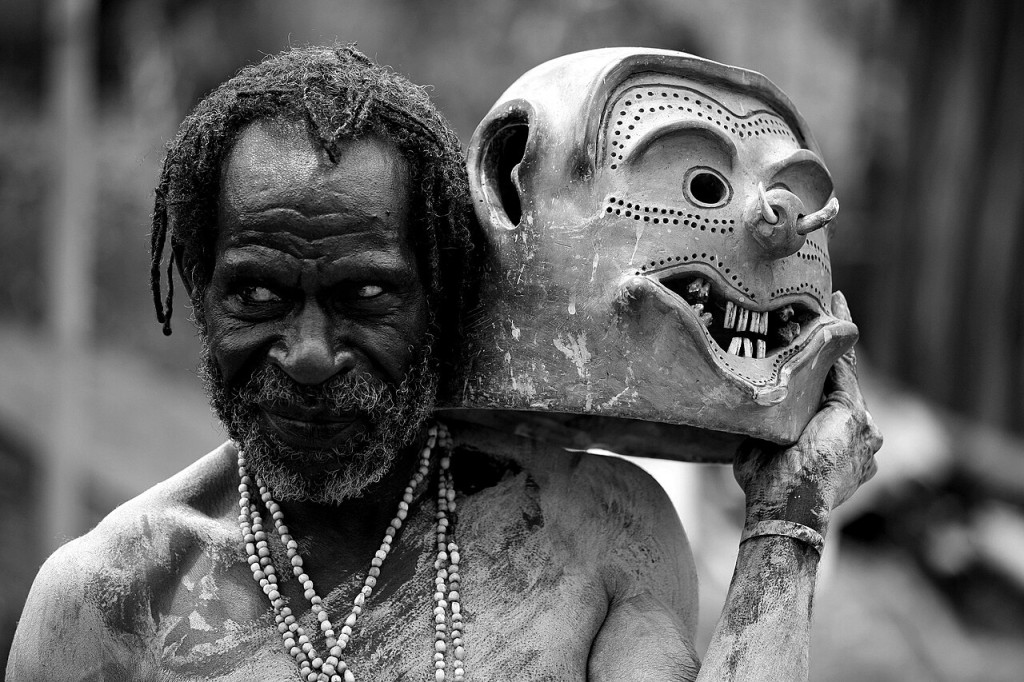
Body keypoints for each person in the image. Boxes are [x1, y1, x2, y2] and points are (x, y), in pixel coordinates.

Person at [6, 46, 880, 682]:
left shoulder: (598, 535)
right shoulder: (112, 600)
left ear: (446, 297)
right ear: (200, 291)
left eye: (368, 298)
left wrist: (786, 522)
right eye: (259, 297)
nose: (309, 357)